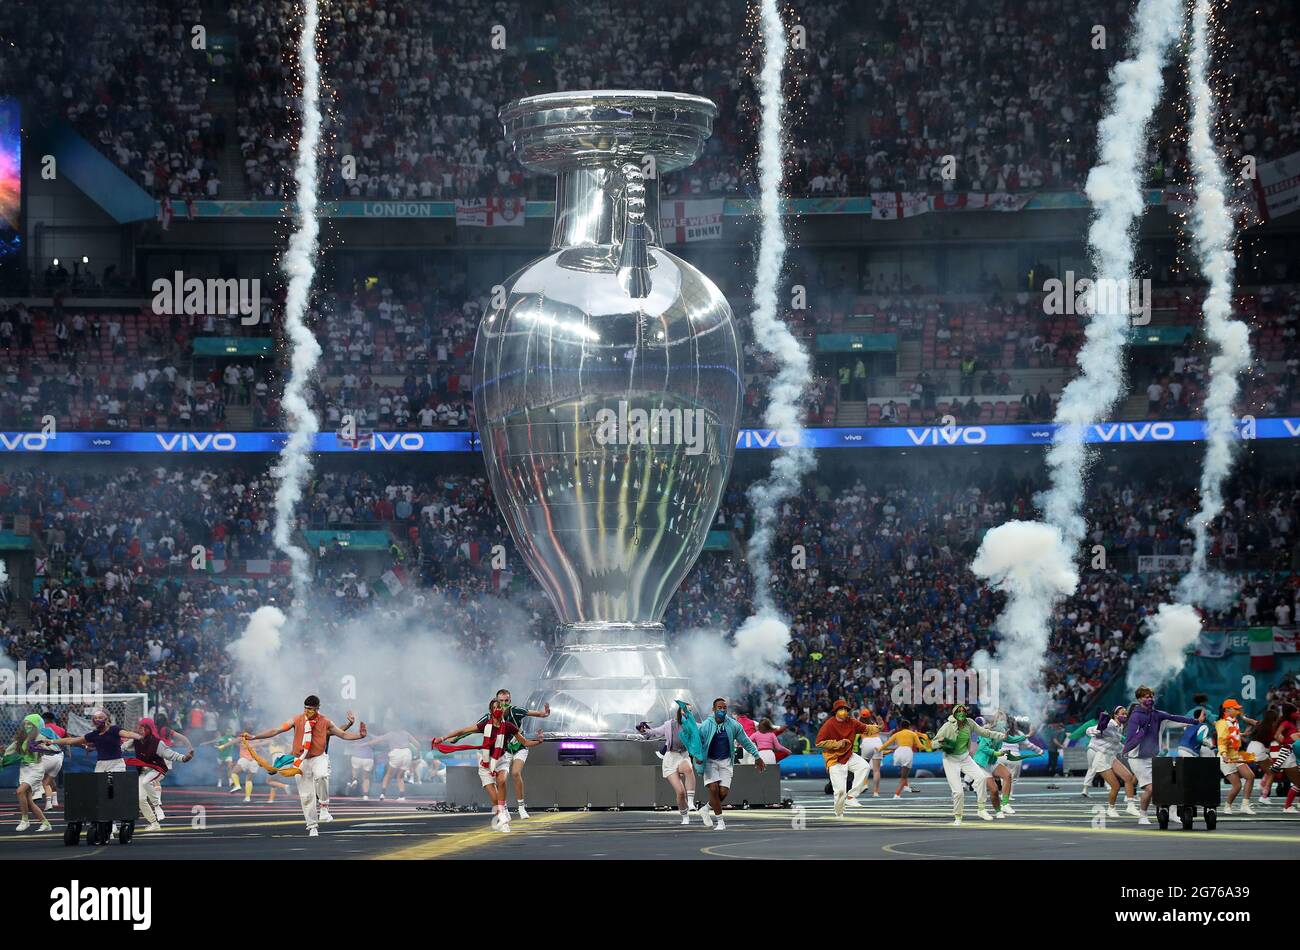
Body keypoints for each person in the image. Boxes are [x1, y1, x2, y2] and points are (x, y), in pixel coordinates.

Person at [242, 695, 368, 837]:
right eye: (306, 708)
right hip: (301, 760)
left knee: (321, 775)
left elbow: (342, 734)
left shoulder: (325, 721)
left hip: (318, 757)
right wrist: (254, 737)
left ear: (317, 709)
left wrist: (360, 735)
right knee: (306, 795)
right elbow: (276, 730)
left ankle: (324, 808)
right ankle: (312, 826)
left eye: (311, 709)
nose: (307, 711)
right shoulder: (297, 719)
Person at [433, 699, 544, 833]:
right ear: (491, 711)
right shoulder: (485, 725)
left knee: (502, 781)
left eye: (500, 707)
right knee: (494, 799)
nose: (498, 709)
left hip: (501, 760)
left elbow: (524, 742)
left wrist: (539, 741)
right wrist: (443, 738)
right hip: (485, 764)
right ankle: (502, 818)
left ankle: (504, 814)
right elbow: (463, 730)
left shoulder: (509, 726)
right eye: (495, 707)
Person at [1121, 686, 1199, 825]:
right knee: (1151, 789)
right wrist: (1137, 738)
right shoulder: (1136, 716)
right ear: (1139, 699)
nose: (1149, 699)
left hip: (1153, 757)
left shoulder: (1158, 715)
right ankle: (1142, 815)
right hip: (1137, 759)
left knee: (1172, 783)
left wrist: (1194, 721)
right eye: (1146, 696)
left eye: (1151, 696)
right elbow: (1130, 738)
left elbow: (1175, 718)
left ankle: (1173, 813)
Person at [929, 704, 1015, 825]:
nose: (961, 714)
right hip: (950, 760)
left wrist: (1002, 736)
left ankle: (981, 809)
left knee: (981, 778)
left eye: (963, 712)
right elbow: (933, 744)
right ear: (954, 714)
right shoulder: (947, 726)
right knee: (958, 792)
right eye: (958, 712)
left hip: (965, 757)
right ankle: (958, 817)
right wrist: (940, 742)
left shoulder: (969, 723)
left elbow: (985, 732)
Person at [694, 697, 764, 831]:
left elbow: (746, 741)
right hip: (709, 761)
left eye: (724, 708)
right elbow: (697, 745)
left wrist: (757, 756)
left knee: (723, 793)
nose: (722, 710)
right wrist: (697, 757)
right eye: (719, 708)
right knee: (713, 789)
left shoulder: (734, 725)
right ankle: (720, 822)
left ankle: (706, 808)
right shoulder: (705, 726)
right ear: (713, 709)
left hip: (726, 762)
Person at [636, 699, 702, 825]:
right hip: (670, 758)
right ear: (679, 711)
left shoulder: (694, 726)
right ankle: (685, 815)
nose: (687, 712)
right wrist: (643, 730)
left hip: (683, 756)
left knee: (688, 768)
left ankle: (691, 802)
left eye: (690, 711)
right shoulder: (669, 724)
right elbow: (655, 732)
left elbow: (705, 729)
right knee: (680, 793)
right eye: (685, 710)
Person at [124, 718, 194, 831]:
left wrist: (184, 758)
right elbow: (121, 747)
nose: (140, 730)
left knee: (147, 781)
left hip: (157, 769)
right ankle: (154, 823)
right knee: (140, 799)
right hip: (143, 771)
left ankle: (157, 806)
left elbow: (170, 754)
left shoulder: (157, 743)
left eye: (143, 728)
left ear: (149, 729)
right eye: (139, 727)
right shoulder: (135, 740)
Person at [816, 699, 872, 817]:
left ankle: (851, 796)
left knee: (864, 766)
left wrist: (878, 727)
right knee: (840, 791)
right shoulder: (829, 724)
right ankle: (839, 813)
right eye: (841, 709)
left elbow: (866, 728)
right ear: (835, 711)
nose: (843, 711)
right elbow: (819, 743)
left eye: (845, 709)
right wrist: (837, 744)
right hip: (834, 758)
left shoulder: (851, 722)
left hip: (848, 755)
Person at [2, 714, 57, 832]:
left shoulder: (40, 737)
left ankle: (24, 820)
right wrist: (4, 757)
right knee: (29, 801)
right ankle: (46, 823)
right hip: (24, 769)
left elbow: (54, 749)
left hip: (35, 769)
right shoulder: (22, 737)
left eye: (29, 724)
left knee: (19, 791)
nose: (27, 726)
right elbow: (9, 751)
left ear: (36, 725)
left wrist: (40, 746)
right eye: (25, 723)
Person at [1087, 707, 1141, 818]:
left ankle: (1130, 806)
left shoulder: (1119, 727)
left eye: (1126, 714)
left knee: (1128, 777)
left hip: (1110, 757)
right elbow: (1088, 730)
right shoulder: (1110, 724)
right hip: (1101, 758)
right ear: (1116, 715)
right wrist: (1098, 730)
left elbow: (1116, 744)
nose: (1125, 716)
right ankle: (1111, 808)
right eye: (1122, 714)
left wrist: (1128, 750)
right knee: (1115, 786)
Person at [1215, 699, 1257, 815]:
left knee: (1250, 776)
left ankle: (1245, 805)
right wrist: (1223, 755)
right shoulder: (1222, 723)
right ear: (1227, 710)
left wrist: (1243, 734)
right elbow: (1221, 741)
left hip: (1236, 754)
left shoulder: (1234, 721)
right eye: (1236, 708)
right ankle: (1227, 805)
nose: (1238, 710)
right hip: (1225, 757)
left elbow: (1233, 735)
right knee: (1237, 785)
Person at [875, 719, 931, 798]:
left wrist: (879, 749)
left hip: (898, 753)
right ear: (909, 726)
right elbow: (919, 746)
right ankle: (897, 794)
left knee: (903, 772)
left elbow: (887, 743)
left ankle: (906, 787)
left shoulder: (897, 734)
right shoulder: (912, 734)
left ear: (901, 727)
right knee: (904, 776)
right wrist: (928, 744)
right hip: (907, 752)